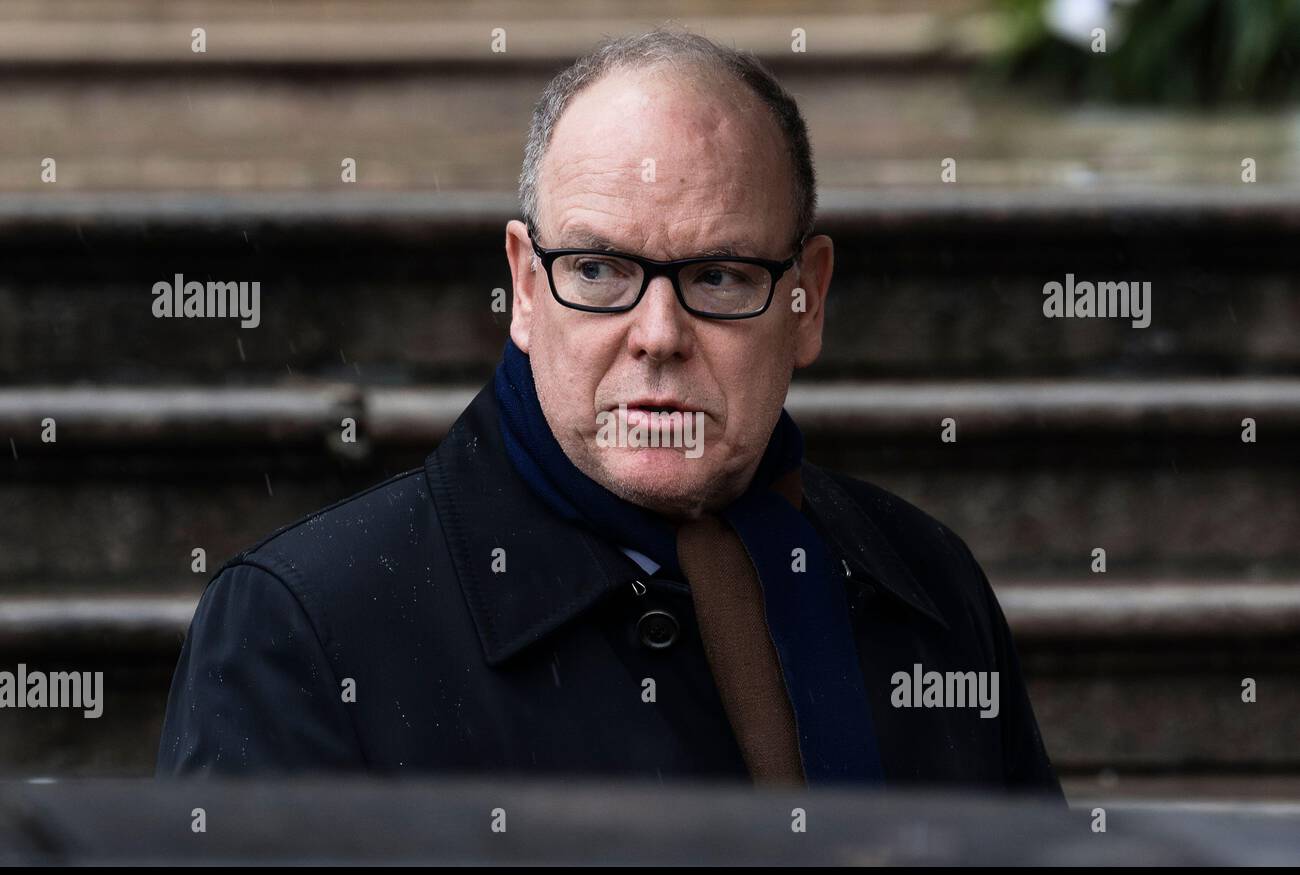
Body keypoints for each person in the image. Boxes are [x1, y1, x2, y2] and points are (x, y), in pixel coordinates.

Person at [157, 27, 1062, 797]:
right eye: (597, 271)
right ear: (523, 285)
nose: (658, 333)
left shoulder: (929, 588)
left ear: (807, 302)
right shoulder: (306, 629)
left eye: (719, 276)